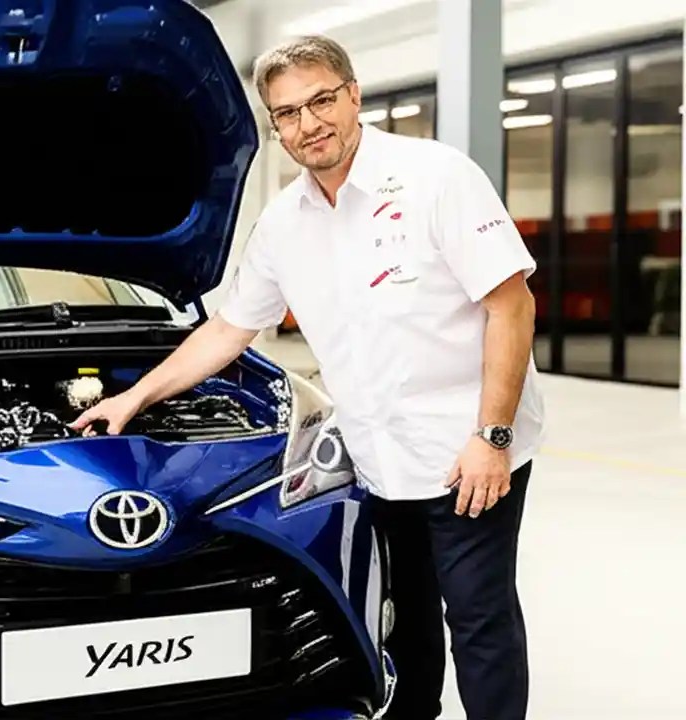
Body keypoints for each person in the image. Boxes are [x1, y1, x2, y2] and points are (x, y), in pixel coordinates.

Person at [69, 34, 544, 720]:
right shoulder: (284, 223)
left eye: (321, 101)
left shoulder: (435, 176)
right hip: (379, 453)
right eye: (287, 113)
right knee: (403, 610)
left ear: (353, 95)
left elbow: (511, 304)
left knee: (477, 615)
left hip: (468, 445)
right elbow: (229, 329)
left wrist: (492, 435)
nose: (308, 124)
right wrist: (134, 397)